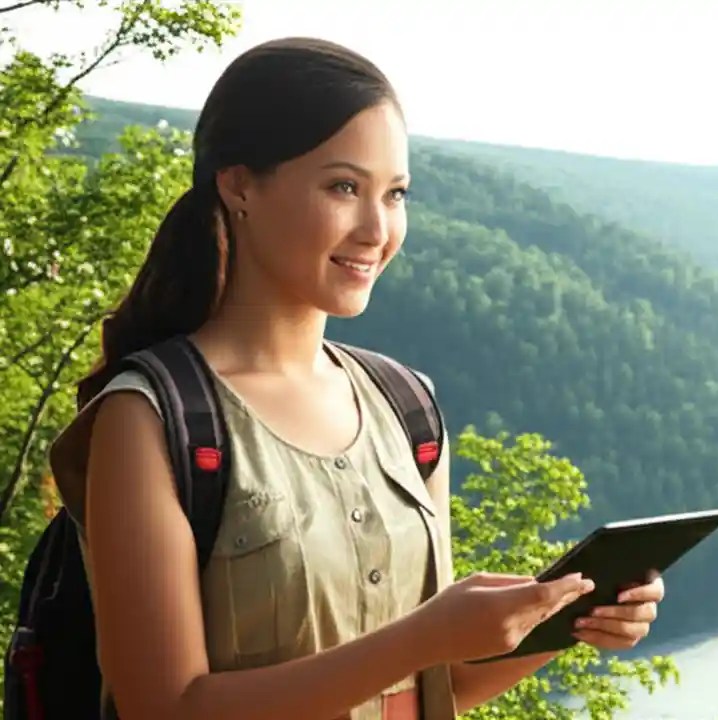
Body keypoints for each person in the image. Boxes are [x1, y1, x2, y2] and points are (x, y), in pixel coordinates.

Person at [46, 36, 665, 720]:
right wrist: (422, 638)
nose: (378, 228)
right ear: (239, 184)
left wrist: (567, 620)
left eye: (395, 194)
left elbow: (440, 686)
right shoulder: (151, 418)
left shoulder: (407, 408)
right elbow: (165, 707)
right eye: (344, 187)